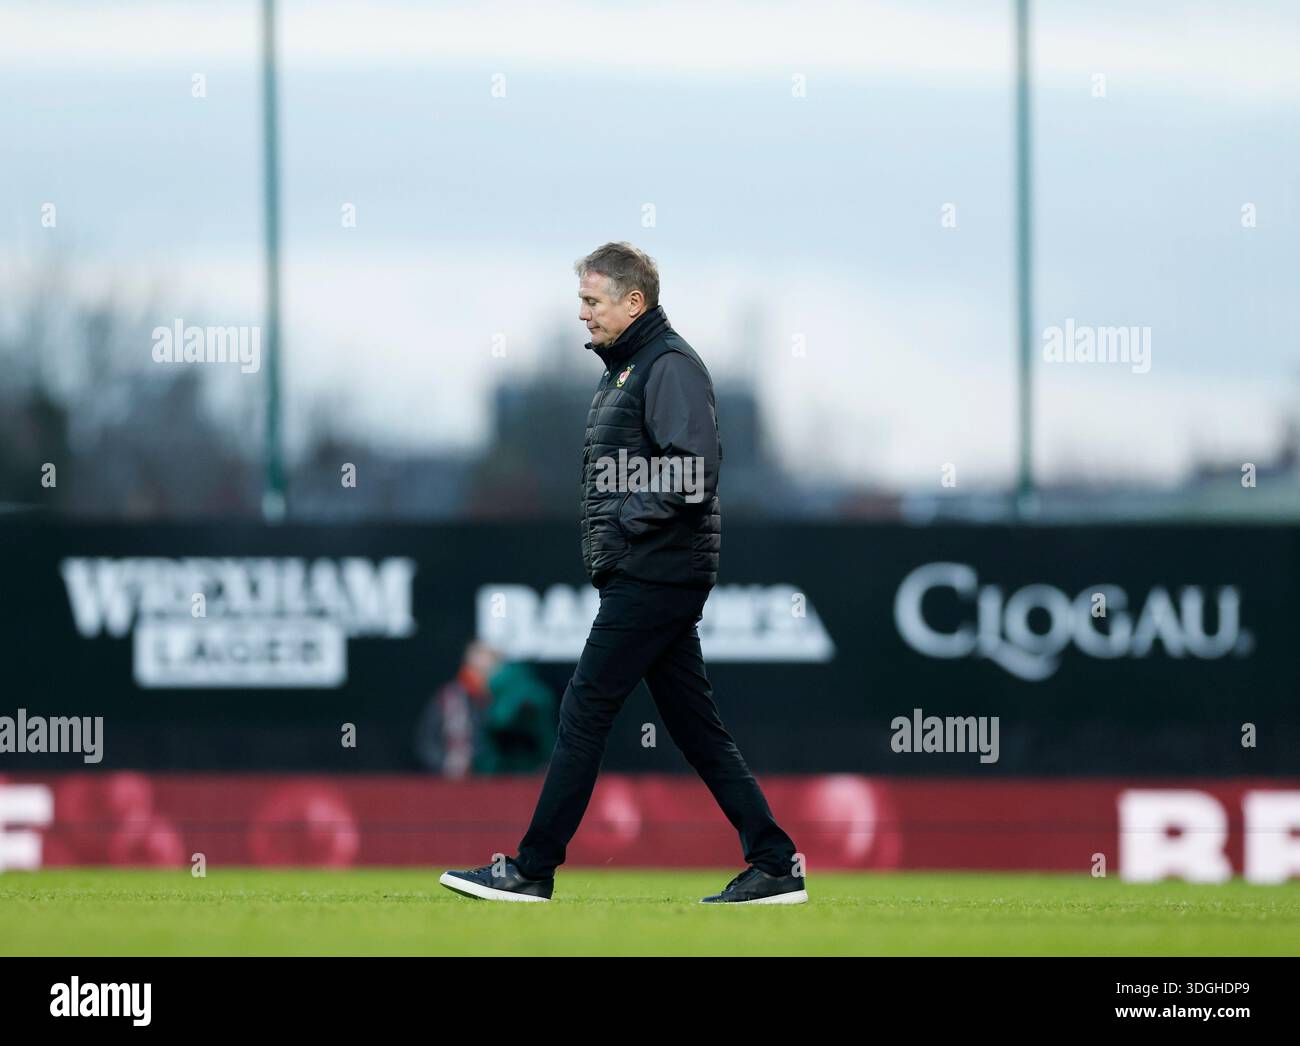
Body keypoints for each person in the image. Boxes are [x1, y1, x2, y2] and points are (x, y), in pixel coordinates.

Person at [441, 242, 805, 904]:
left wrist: (630, 517)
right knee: (697, 730)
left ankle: (532, 868)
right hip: (651, 569)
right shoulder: (632, 370)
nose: (581, 314)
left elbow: (693, 470)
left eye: (591, 300)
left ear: (633, 302)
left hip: (657, 571)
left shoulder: (667, 367)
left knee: (583, 706)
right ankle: (776, 863)